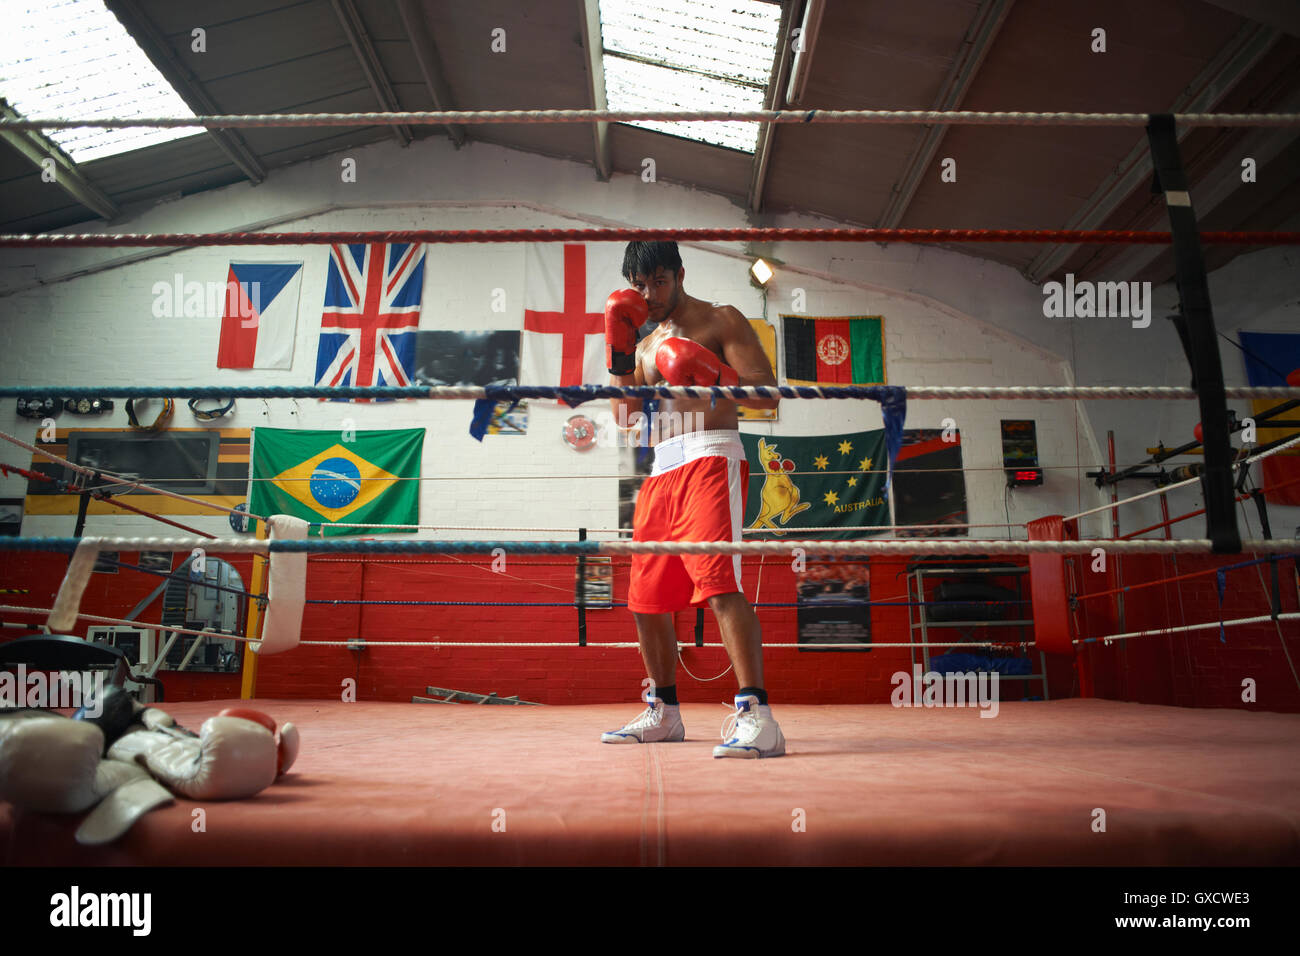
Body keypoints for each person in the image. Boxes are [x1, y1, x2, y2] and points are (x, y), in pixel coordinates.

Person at [599, 241, 786, 758]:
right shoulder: (639, 347)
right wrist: (617, 351)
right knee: (646, 598)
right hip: (661, 467)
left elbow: (766, 394)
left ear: (680, 274)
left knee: (719, 584)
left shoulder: (721, 319)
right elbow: (628, 425)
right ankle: (665, 711)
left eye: (658, 281)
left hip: (710, 455)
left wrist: (711, 373)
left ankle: (757, 716)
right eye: (639, 285)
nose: (649, 293)